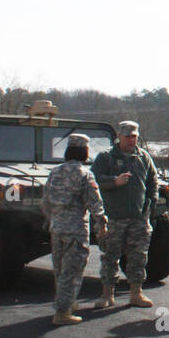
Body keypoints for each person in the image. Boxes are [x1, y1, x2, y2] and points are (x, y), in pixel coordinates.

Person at [41, 132, 107, 326]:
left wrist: (52, 218)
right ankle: (62, 313)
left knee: (60, 269)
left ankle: (68, 303)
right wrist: (102, 223)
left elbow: (45, 201)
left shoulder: (55, 172)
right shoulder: (84, 174)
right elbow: (95, 203)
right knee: (73, 270)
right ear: (84, 152)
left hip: (57, 227)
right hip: (76, 229)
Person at [91, 120, 158, 309]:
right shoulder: (106, 157)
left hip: (138, 218)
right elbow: (93, 181)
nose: (131, 140)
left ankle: (136, 293)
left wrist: (150, 203)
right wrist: (114, 181)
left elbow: (153, 180)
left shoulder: (143, 157)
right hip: (113, 217)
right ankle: (107, 294)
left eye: (134, 136)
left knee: (138, 256)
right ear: (119, 136)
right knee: (110, 256)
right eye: (127, 136)